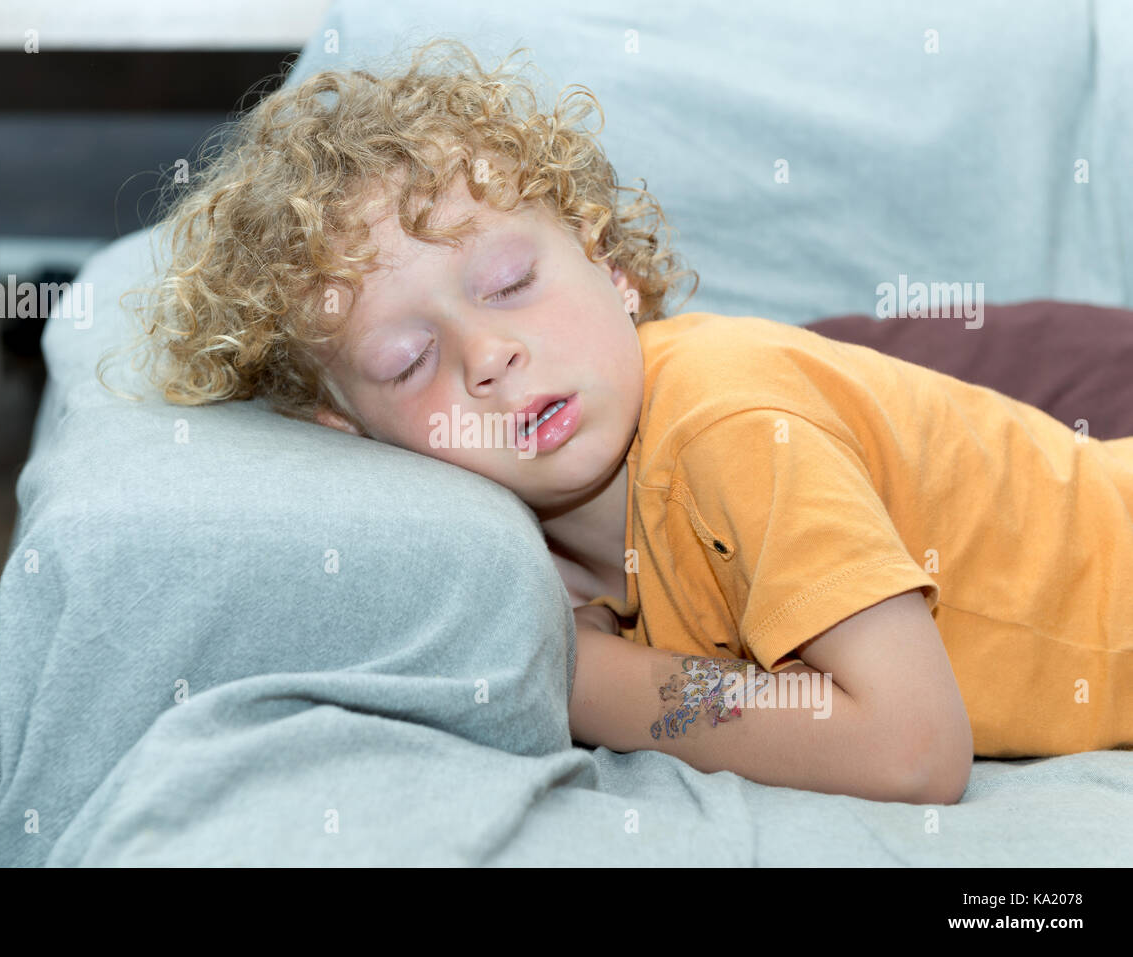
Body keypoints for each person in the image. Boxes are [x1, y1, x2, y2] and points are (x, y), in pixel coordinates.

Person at [99, 37, 1133, 806]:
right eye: (408, 360)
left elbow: (913, 748)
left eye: (508, 281)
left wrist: (580, 677)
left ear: (612, 266)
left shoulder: (731, 427)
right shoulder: (533, 548)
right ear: (350, 433)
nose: (486, 355)